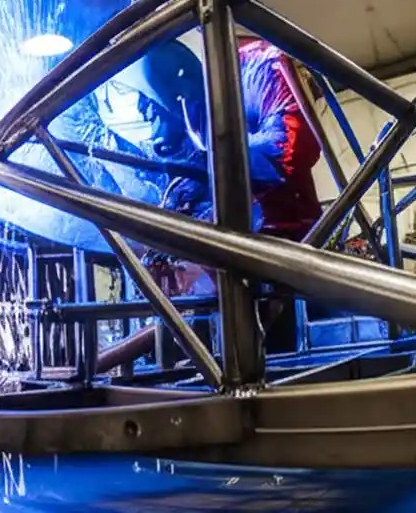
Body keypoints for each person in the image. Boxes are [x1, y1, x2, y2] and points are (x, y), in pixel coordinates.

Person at [94, 35, 322, 371]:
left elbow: (293, 144)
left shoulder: (257, 65)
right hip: (233, 269)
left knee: (269, 361)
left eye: (149, 103)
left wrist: (213, 166)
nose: (143, 112)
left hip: (287, 255)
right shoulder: (191, 114)